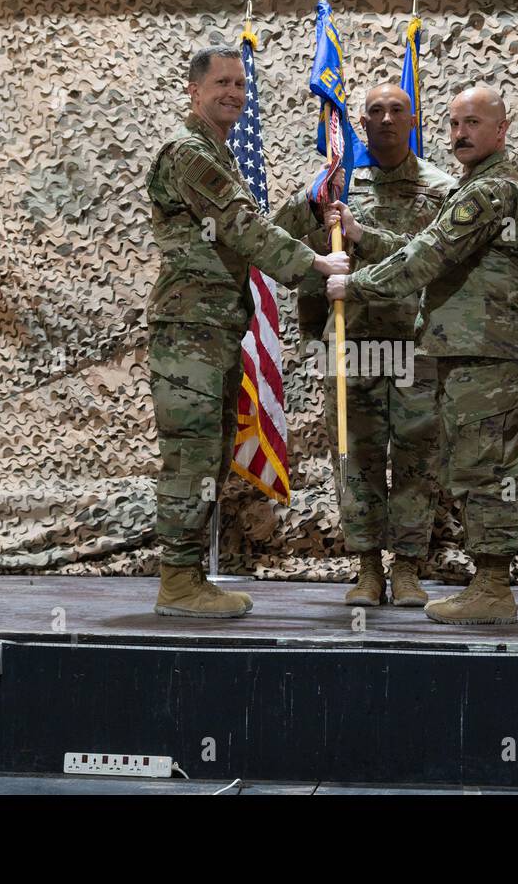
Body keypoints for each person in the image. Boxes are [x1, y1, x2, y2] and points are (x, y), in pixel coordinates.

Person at [146, 45, 350, 618]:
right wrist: (315, 265)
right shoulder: (189, 154)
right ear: (195, 92)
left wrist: (310, 208)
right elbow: (239, 226)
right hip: (188, 330)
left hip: (213, 330)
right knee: (191, 456)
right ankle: (177, 580)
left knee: (210, 455)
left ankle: (187, 577)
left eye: (240, 84)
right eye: (222, 84)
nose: (234, 93)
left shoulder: (219, 155)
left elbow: (245, 231)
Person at [325, 86, 518, 625]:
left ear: (501, 130)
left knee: (481, 470)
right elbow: (430, 251)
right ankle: (484, 584)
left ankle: (491, 587)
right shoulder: (485, 187)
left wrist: (355, 283)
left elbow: (427, 255)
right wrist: (364, 240)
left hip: (482, 351)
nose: (461, 134)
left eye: (473, 123)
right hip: (471, 349)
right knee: (472, 466)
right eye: (454, 124)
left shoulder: (485, 192)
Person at [273, 84, 454, 608]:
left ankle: (409, 567)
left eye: (398, 110)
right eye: (375, 112)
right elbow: (301, 253)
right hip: (353, 343)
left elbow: (438, 259)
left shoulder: (441, 188)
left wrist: (363, 233)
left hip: (416, 344)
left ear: (414, 119)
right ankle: (369, 567)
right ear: (360, 124)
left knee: (418, 458)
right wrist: (315, 336)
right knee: (355, 456)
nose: (387, 120)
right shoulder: (338, 185)